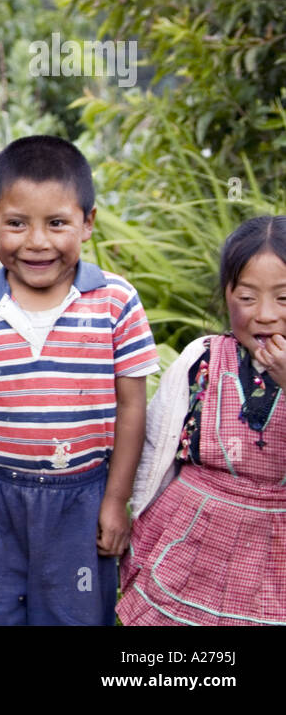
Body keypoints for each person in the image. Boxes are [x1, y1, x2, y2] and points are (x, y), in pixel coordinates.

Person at [0, 135, 160, 624]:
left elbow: (133, 408)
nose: (37, 242)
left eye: (57, 223)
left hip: (82, 501)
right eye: (17, 223)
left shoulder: (115, 304)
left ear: (87, 223)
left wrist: (115, 500)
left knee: (76, 616)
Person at [118, 215, 286, 625]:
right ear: (226, 295)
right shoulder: (202, 360)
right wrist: (130, 512)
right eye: (247, 297)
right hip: (190, 540)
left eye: (284, 298)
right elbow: (155, 447)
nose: (264, 315)